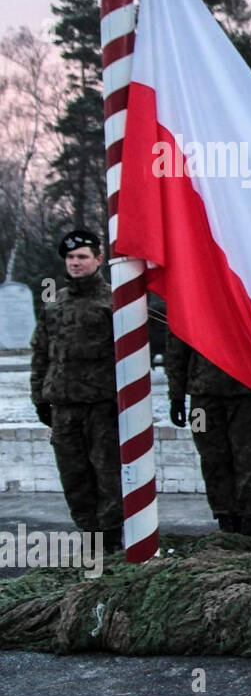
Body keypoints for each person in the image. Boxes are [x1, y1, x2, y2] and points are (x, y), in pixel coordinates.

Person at [29, 230, 122, 553]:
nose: (75, 263)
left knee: (108, 476)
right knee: (74, 478)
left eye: (82, 257)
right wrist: (39, 397)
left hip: (101, 406)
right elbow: (41, 353)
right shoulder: (55, 303)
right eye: (70, 258)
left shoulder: (114, 301)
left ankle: (111, 543)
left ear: (98, 259)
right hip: (64, 407)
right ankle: (90, 540)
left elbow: (127, 355)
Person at [165, 330, 251, 539]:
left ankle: (249, 529)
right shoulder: (192, 300)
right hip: (202, 400)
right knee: (211, 460)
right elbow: (177, 347)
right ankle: (226, 525)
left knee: (249, 462)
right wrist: (176, 396)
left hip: (249, 394)